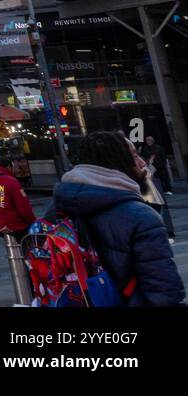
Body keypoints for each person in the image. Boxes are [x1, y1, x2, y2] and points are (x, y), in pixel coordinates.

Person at [47, 130, 184, 306]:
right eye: (134, 156)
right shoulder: (140, 216)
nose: (142, 163)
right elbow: (163, 289)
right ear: (116, 161)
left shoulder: (56, 209)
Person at [0, 156, 36, 241]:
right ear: (9, 167)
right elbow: (24, 208)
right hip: (13, 225)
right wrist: (33, 222)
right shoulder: (11, 181)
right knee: (35, 239)